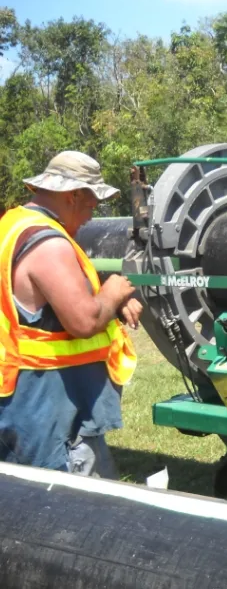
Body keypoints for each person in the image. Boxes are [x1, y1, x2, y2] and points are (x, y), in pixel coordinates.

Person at [0, 150, 140, 478]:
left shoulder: (13, 225)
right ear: (73, 194)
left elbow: (50, 300)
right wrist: (115, 290)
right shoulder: (48, 243)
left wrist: (111, 303)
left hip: (19, 394)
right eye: (91, 204)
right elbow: (84, 321)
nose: (91, 216)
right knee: (59, 508)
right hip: (45, 403)